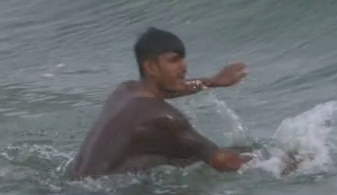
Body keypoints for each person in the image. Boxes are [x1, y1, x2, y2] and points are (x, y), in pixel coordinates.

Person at [66, 28, 254, 179]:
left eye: (183, 58)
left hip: (74, 182)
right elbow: (219, 160)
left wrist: (214, 81)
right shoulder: (163, 117)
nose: (184, 65)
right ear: (151, 67)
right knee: (191, 157)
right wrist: (272, 164)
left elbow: (169, 89)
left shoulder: (125, 91)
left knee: (169, 155)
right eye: (174, 60)